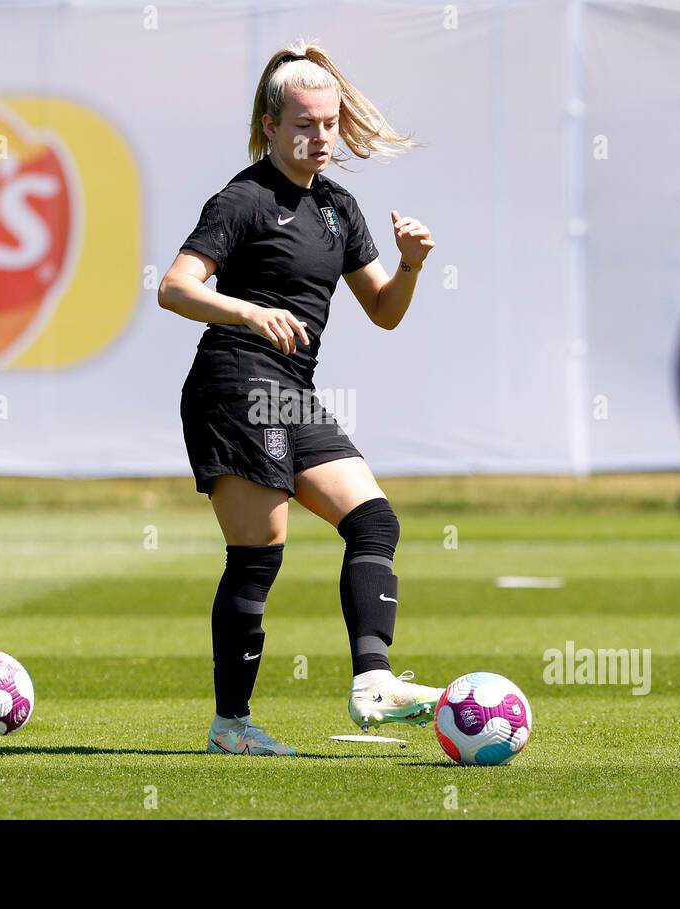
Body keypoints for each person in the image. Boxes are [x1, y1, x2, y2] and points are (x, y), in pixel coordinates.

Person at [158, 40, 441, 756]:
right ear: (271, 126)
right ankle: (231, 725)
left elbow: (383, 308)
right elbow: (174, 287)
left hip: (290, 391)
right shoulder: (244, 198)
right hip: (233, 384)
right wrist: (247, 310)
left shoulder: (339, 208)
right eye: (306, 124)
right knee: (259, 553)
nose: (321, 137)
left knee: (374, 520)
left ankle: (373, 682)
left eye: (330, 123)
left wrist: (409, 266)